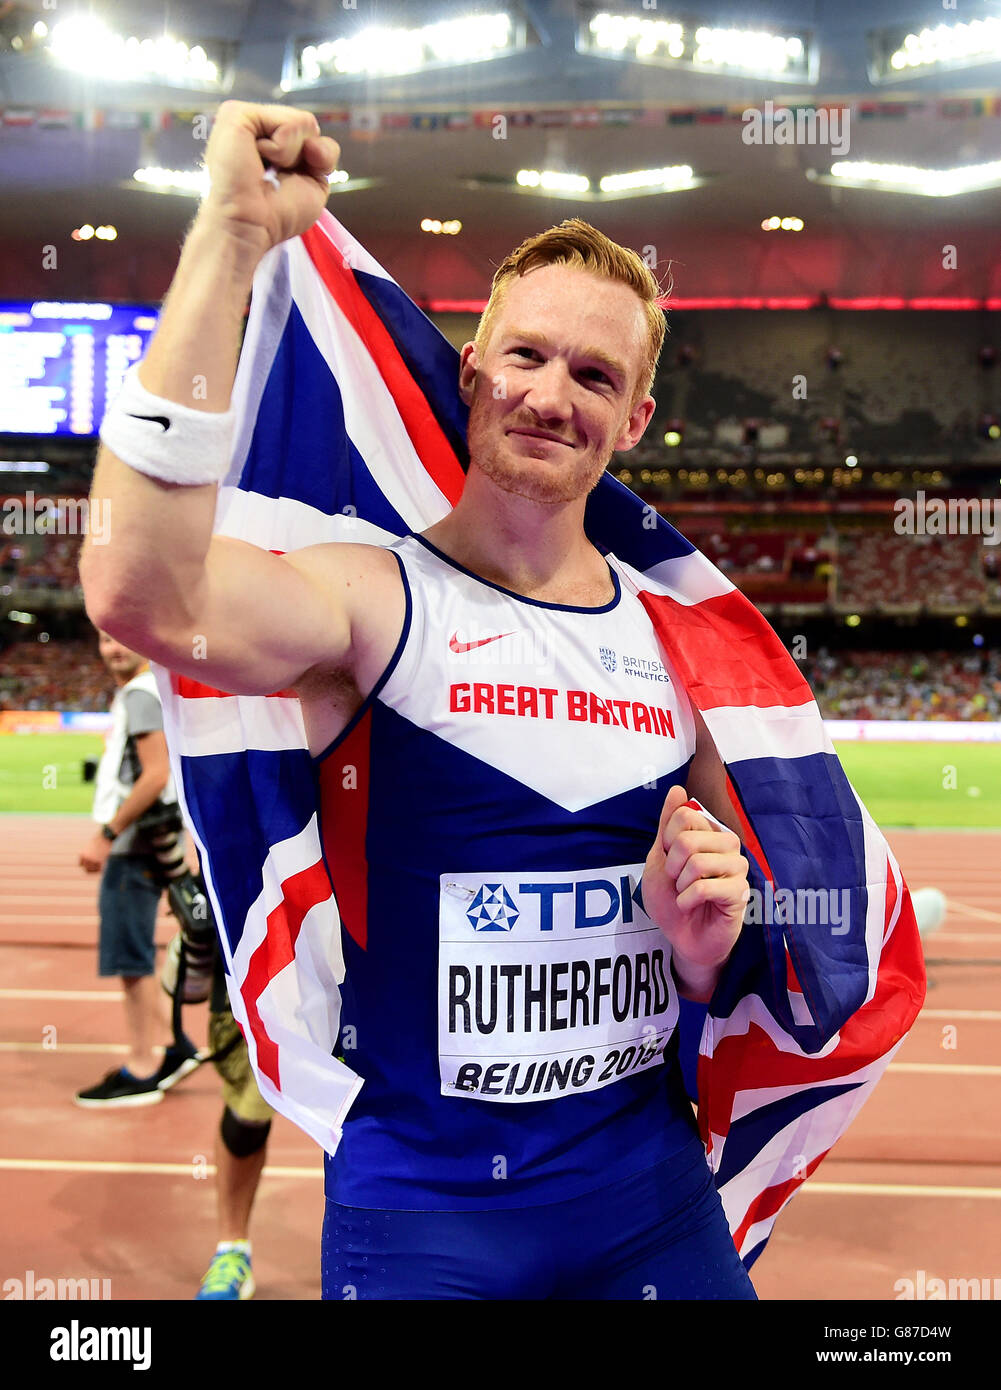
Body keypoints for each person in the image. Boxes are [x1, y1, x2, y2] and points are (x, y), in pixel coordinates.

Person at [81, 101, 765, 1297]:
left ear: (635, 419)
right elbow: (144, 592)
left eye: (594, 374)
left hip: (647, 1193)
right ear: (472, 371)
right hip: (423, 1204)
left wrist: (704, 946)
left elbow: (716, 966)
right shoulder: (370, 597)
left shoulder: (675, 645)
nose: (552, 394)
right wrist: (228, 241)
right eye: (525, 354)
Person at [75, 631, 201, 1107]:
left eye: (122, 640)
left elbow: (155, 774)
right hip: (147, 842)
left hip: (134, 846)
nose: (112, 649)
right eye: (104, 640)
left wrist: (106, 836)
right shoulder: (148, 691)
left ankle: (146, 1064)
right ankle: (169, 1048)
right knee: (134, 954)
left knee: (130, 956)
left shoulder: (141, 694)